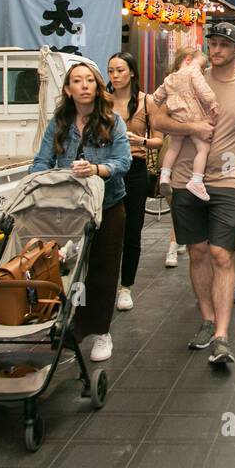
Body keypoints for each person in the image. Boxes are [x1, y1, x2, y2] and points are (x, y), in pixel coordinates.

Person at [156, 22, 235, 365]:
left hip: (228, 181)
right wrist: (191, 127)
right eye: (213, 43)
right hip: (184, 180)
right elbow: (158, 118)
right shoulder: (190, 79)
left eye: (225, 44)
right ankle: (207, 320)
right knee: (196, 251)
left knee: (222, 254)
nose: (217, 49)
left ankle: (222, 333)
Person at [30, 61, 131, 362]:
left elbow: (122, 162)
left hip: (107, 207)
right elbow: (40, 162)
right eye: (77, 80)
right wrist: (44, 183)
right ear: (67, 89)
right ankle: (71, 325)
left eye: (90, 80)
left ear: (98, 87)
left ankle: (101, 331)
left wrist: (97, 169)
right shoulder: (58, 123)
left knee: (102, 270)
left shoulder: (112, 121)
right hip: (66, 211)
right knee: (67, 270)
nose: (84, 85)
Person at [106, 52, 167, 311]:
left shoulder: (146, 102)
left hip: (135, 168)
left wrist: (138, 140)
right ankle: (104, 285)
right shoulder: (102, 101)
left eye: (120, 70)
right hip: (105, 169)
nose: (115, 75)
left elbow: (159, 139)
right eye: (111, 71)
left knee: (132, 230)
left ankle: (126, 286)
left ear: (131, 72)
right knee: (105, 230)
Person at [156, 47, 220, 200]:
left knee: (174, 146)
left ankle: (165, 175)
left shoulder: (169, 78)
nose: (202, 70)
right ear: (189, 60)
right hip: (192, 114)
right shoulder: (193, 72)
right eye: (202, 66)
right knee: (203, 148)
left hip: (176, 115)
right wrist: (213, 102)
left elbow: (157, 97)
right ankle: (196, 180)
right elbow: (203, 90)